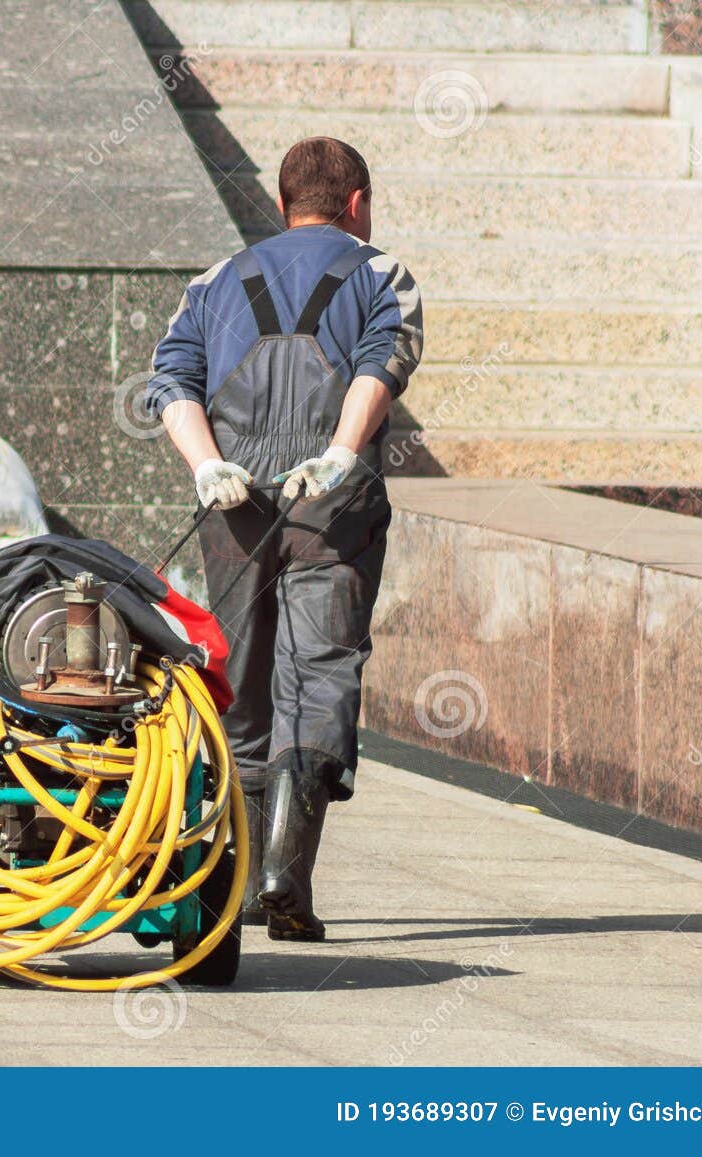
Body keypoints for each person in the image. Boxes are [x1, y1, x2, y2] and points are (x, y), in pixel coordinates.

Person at [147, 137, 423, 941]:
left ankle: (230, 882)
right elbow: (384, 362)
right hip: (331, 508)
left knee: (240, 685)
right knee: (324, 672)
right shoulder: (382, 274)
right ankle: (285, 874)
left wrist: (208, 466)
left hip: (234, 511)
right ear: (357, 202)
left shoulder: (214, 283)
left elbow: (170, 379)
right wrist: (340, 451)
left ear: (281, 203)